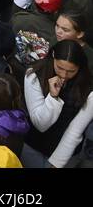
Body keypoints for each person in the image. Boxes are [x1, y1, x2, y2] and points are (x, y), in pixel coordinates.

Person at [21, 40, 93, 168]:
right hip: (32, 145)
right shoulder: (35, 74)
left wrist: (56, 164)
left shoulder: (88, 87)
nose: (64, 75)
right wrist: (53, 97)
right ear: (53, 56)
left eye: (71, 71)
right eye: (60, 67)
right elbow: (40, 124)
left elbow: (75, 130)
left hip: (66, 153)